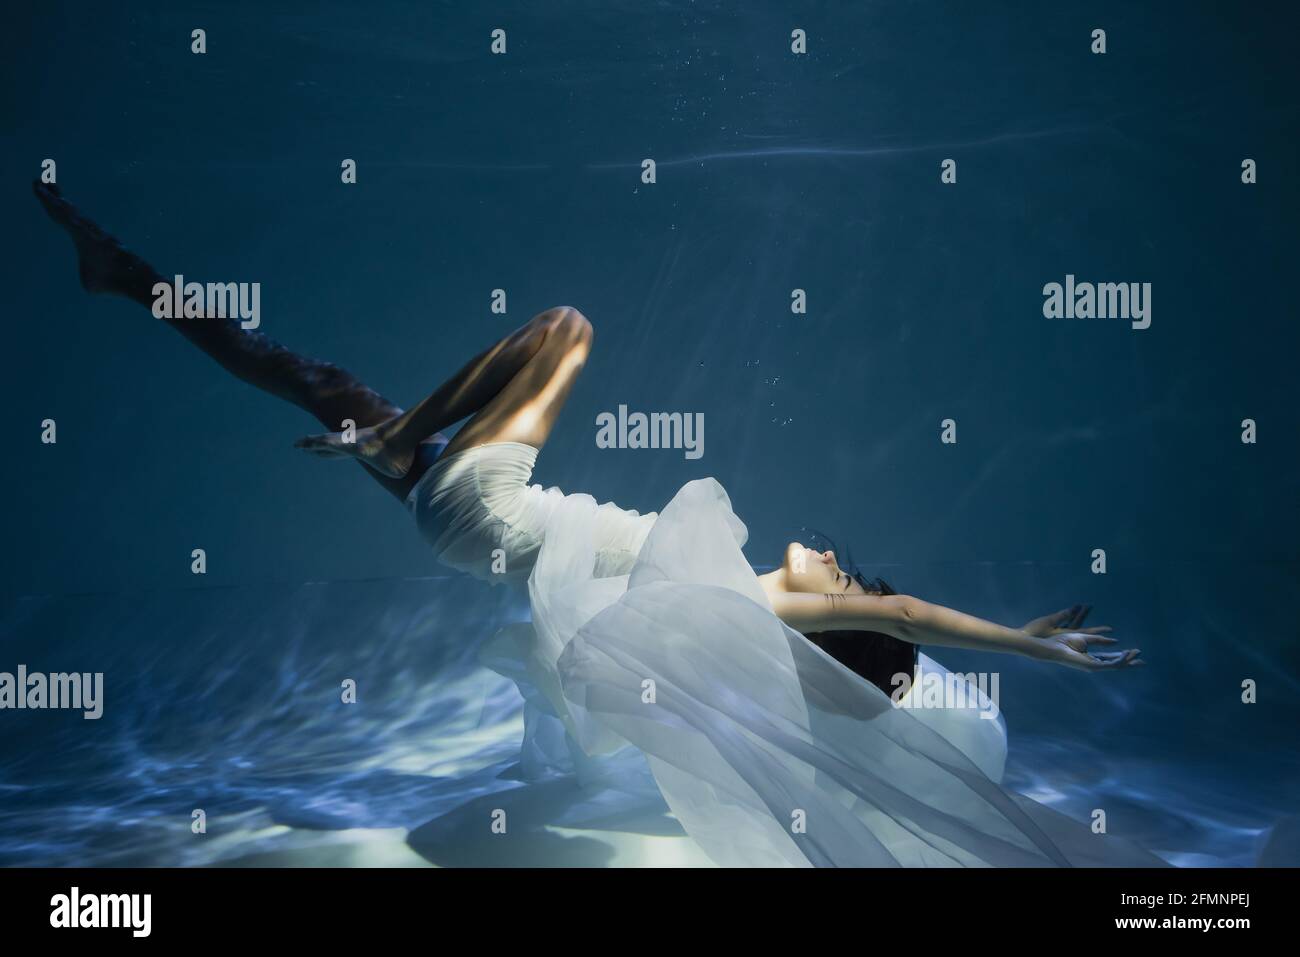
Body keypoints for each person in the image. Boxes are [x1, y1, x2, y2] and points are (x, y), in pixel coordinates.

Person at [34, 181, 1158, 866]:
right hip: (476, 528)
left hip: (492, 506)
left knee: (565, 325)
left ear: (838, 596)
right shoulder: (730, 605)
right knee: (311, 376)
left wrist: (1026, 643)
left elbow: (905, 609)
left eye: (836, 564)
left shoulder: (765, 606)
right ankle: (124, 276)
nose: (819, 544)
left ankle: (368, 419)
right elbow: (891, 617)